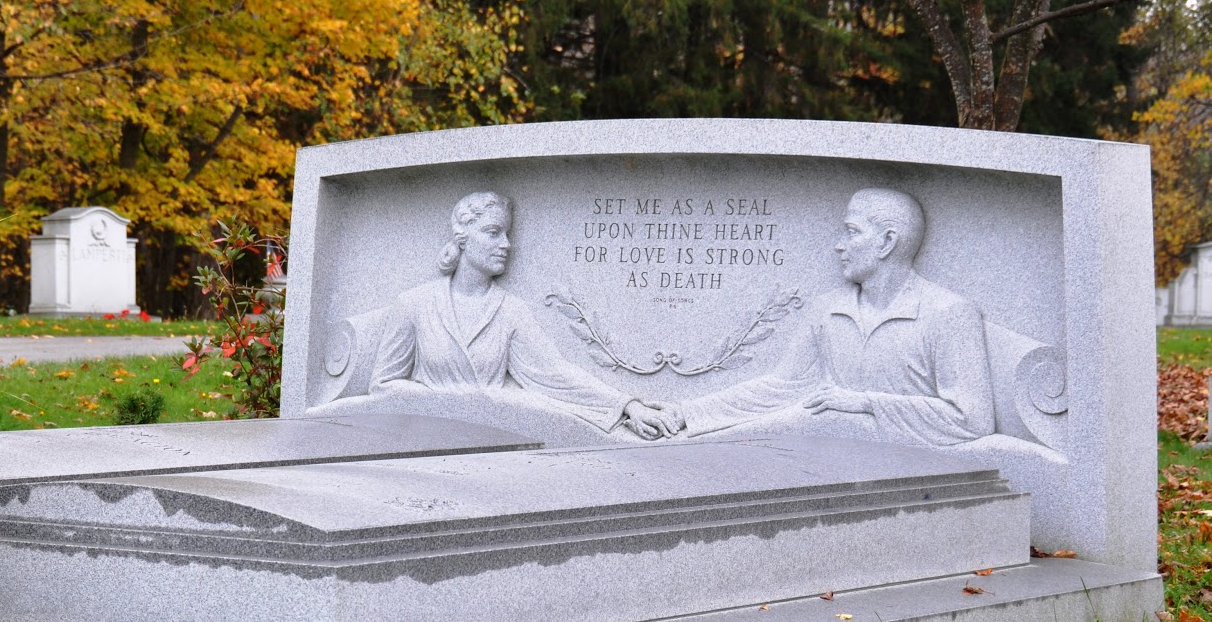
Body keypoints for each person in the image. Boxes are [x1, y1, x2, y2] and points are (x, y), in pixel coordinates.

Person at [676, 187, 995, 446]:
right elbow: (779, 387)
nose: (838, 246)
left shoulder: (949, 312)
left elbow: (972, 419)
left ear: (887, 242)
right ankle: (679, 443)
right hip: (824, 456)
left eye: (852, 232)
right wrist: (687, 414)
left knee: (819, 420)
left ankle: (682, 448)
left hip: (911, 476)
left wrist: (865, 403)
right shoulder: (827, 309)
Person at [369, 192, 680, 439]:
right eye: (492, 232)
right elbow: (383, 386)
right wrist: (456, 403)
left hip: (494, 442)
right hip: (424, 441)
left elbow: (554, 375)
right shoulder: (415, 303)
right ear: (462, 238)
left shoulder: (511, 311)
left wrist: (628, 406)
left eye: (506, 233)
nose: (506, 244)